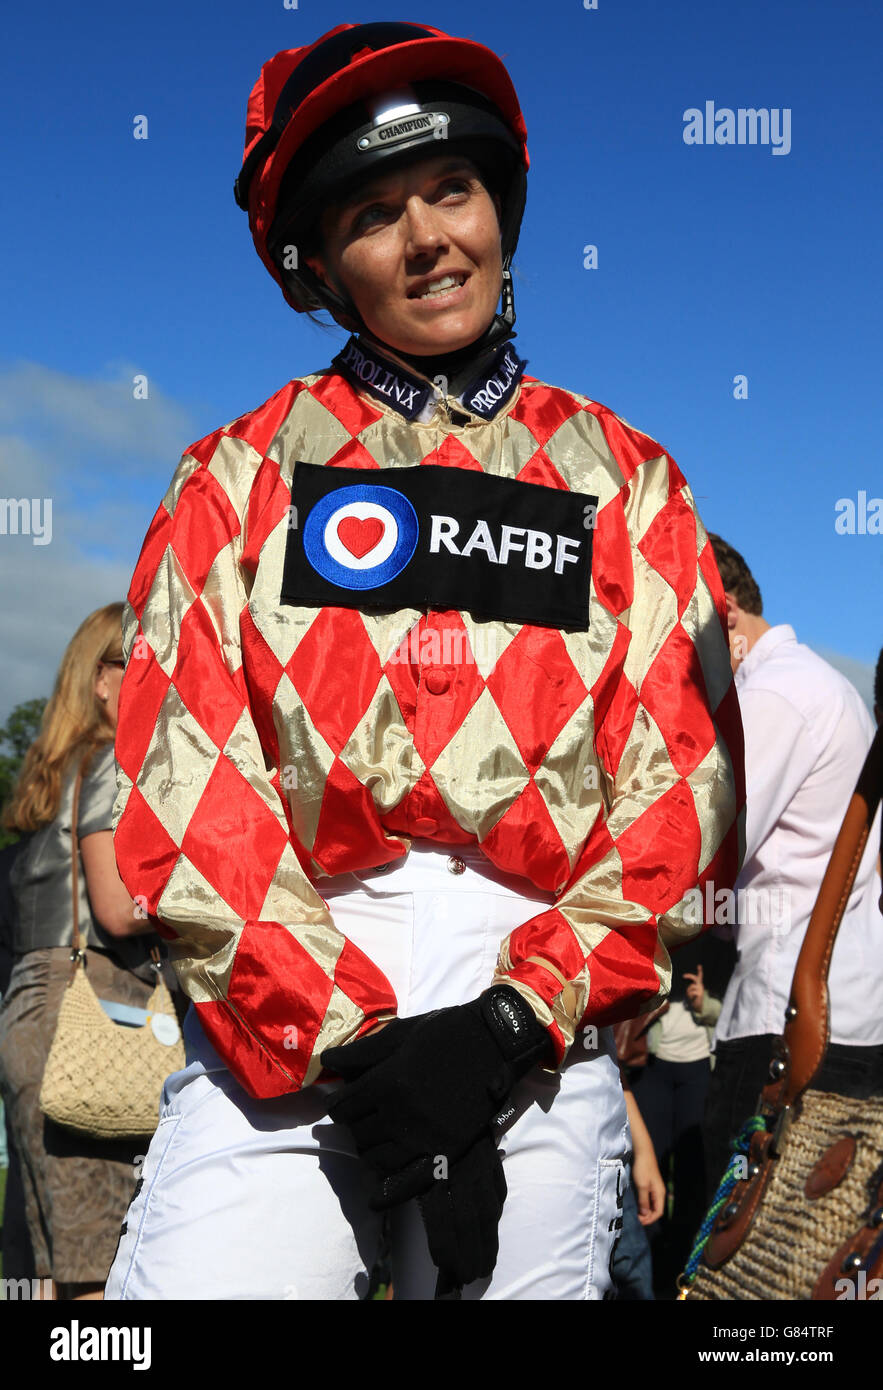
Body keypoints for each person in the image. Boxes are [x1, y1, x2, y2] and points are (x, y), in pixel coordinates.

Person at [105, 22, 742, 1301]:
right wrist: (355, 1046)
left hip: (539, 1008)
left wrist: (505, 1028)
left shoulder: (632, 480)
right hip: (282, 1002)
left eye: (452, 190)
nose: (428, 239)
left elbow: (682, 799)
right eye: (373, 215)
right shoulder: (231, 474)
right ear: (319, 267)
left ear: (500, 206)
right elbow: (190, 792)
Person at [0, 604, 175, 1299]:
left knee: (58, 1267)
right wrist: (205, 905)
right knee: (102, 1267)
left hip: (40, 1017)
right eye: (141, 663)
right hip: (95, 1018)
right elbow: (117, 908)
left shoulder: (57, 773)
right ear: (100, 680)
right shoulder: (110, 763)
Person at [704, 536, 883, 1194]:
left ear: (723, 613)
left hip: (783, 1015)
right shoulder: (824, 685)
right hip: (844, 1008)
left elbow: (705, 846)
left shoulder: (773, 694)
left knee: (737, 1235)